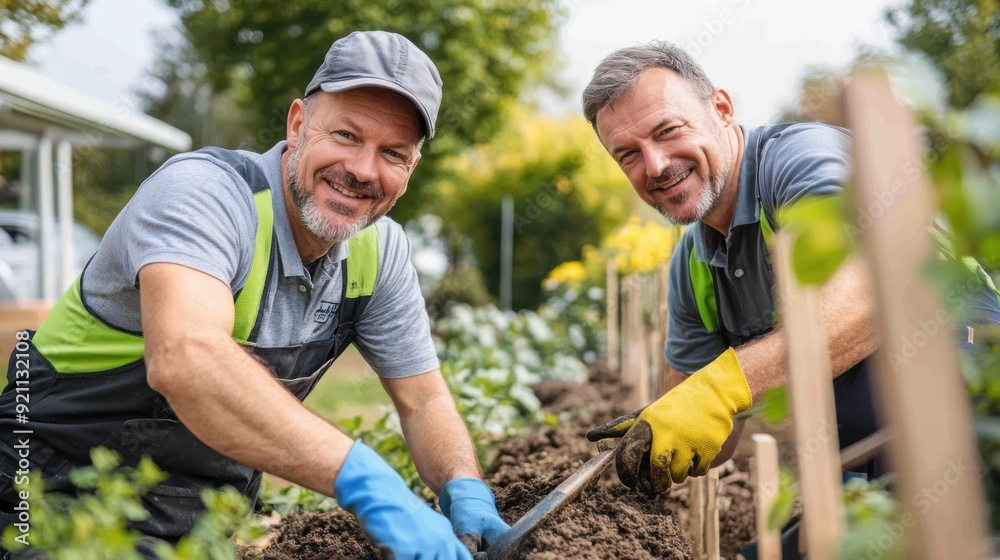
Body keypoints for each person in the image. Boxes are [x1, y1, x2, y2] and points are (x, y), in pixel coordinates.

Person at [0, 31, 507, 559]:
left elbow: (423, 399)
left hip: (200, 530)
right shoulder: (207, 194)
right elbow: (187, 361)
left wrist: (462, 487)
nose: (362, 169)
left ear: (411, 170)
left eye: (393, 154)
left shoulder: (380, 253)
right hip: (51, 508)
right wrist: (365, 480)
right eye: (346, 135)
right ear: (297, 125)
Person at [580, 41, 999, 511]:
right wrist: (657, 435)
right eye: (628, 155)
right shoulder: (691, 265)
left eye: (667, 130)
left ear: (720, 109)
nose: (655, 165)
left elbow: (872, 294)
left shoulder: (797, 160)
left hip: (968, 399)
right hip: (866, 455)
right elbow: (707, 433)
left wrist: (718, 389)